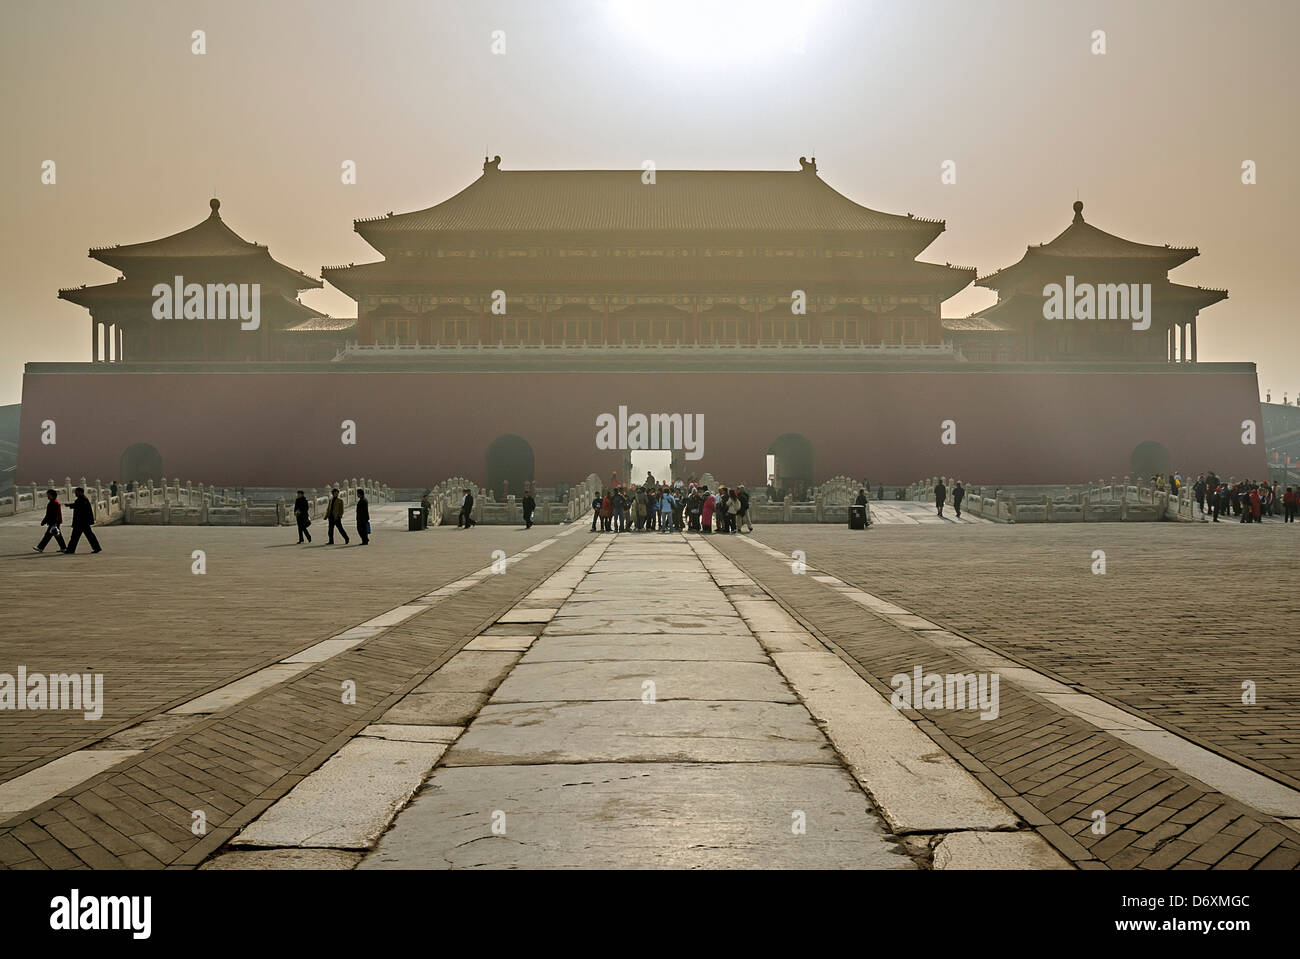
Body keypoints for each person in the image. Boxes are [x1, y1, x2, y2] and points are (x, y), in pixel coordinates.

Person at [64, 487, 101, 554]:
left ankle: (70, 550)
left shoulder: (83, 499)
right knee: (88, 535)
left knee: (75, 536)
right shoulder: (82, 499)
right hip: (82, 522)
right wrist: (70, 505)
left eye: (76, 492)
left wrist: (69, 505)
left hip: (81, 522)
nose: (75, 493)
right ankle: (97, 548)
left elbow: (78, 506)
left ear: (80, 492)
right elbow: (77, 505)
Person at [34, 489, 67, 553]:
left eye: (48, 495)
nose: (48, 496)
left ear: (52, 495)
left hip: (54, 522)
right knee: (57, 535)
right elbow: (49, 514)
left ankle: (40, 547)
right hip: (54, 522)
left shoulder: (54, 503)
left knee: (48, 535)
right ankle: (63, 547)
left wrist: (46, 521)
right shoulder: (53, 502)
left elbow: (52, 514)